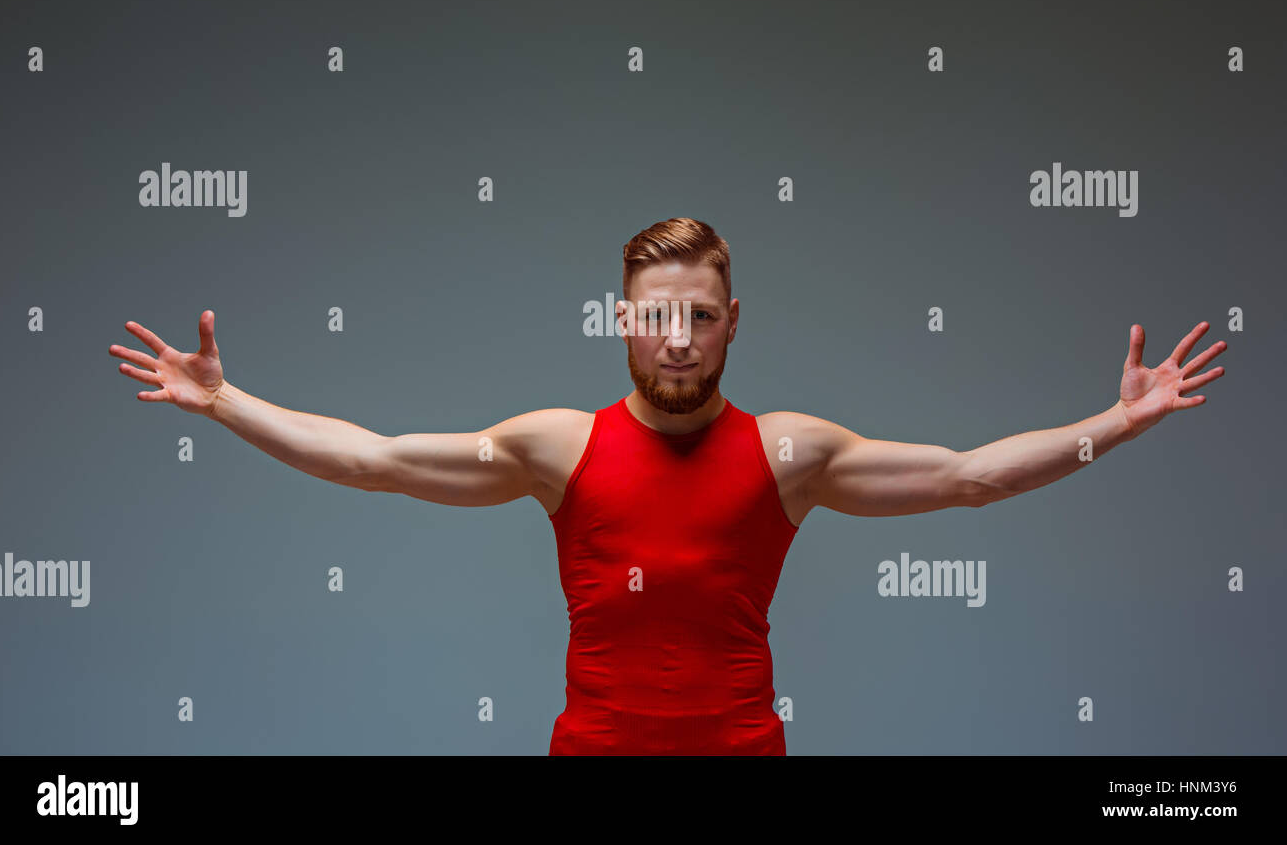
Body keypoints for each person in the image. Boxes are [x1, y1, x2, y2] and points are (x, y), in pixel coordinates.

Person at [107, 217, 1228, 755]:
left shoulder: (792, 453)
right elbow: (374, 457)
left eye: (700, 315)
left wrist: (1115, 425)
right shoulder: (558, 447)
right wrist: (225, 402)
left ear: (730, 322)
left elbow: (968, 478)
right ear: (621, 321)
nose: (679, 339)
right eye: (656, 316)